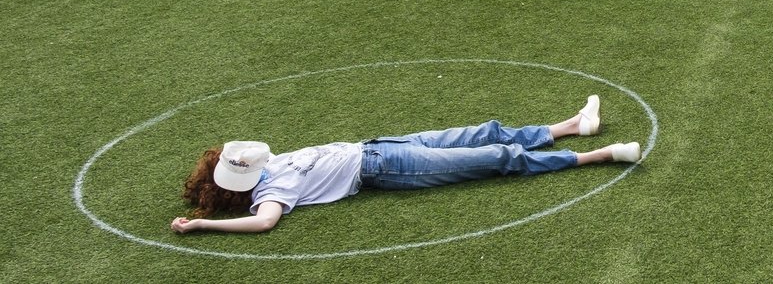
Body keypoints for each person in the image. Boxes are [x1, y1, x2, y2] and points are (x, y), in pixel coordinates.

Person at [170, 95, 640, 234]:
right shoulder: (266, 196)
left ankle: (570, 127)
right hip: (384, 168)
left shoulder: (266, 167)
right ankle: (596, 156)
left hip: (376, 146)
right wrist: (201, 227)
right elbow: (266, 223)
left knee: (482, 132)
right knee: (491, 159)